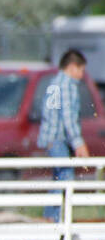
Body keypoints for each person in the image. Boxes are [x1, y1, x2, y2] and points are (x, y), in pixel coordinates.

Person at [38, 48, 90, 222]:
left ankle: (50, 217)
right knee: (66, 176)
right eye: (81, 70)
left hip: (51, 138)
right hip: (59, 139)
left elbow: (49, 113)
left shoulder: (54, 83)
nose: (82, 75)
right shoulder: (67, 85)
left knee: (59, 177)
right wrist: (78, 143)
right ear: (73, 67)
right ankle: (56, 219)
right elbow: (68, 117)